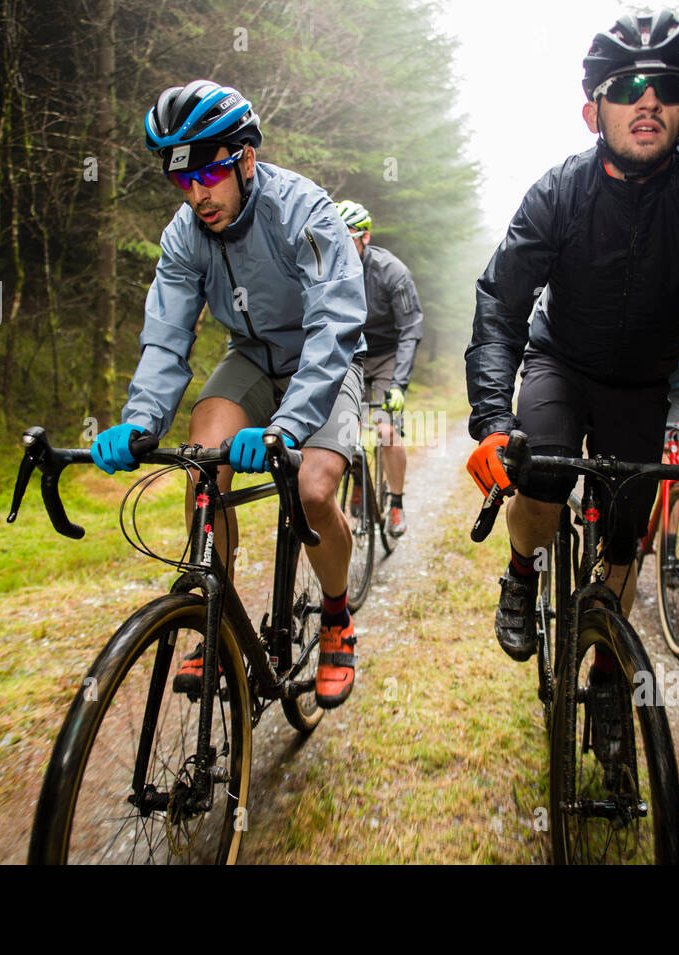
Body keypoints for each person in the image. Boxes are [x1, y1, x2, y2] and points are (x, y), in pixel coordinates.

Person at [463, 11, 679, 672]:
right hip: (560, 362)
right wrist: (494, 421)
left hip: (642, 384)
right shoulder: (558, 193)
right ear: (592, 112)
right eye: (627, 84)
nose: (646, 99)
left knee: (627, 538)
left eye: (665, 86)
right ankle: (523, 572)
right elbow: (502, 306)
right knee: (542, 480)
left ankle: (609, 678)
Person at [89, 80, 367, 709]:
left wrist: (287, 427)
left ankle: (335, 615)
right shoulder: (185, 235)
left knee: (314, 489)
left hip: (321, 360)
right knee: (200, 465)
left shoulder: (305, 210)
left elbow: (333, 324)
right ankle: (214, 618)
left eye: (208, 175)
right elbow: (166, 339)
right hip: (250, 360)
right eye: (180, 180)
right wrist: (140, 421)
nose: (196, 196)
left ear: (244, 157)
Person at [334, 199, 423, 536]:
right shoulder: (328, 270)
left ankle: (396, 503)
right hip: (349, 354)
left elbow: (410, 328)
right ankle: (359, 482)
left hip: (386, 355)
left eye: (348, 239)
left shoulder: (392, 272)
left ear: (365, 237)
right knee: (345, 431)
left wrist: (399, 383)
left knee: (386, 430)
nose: (339, 248)